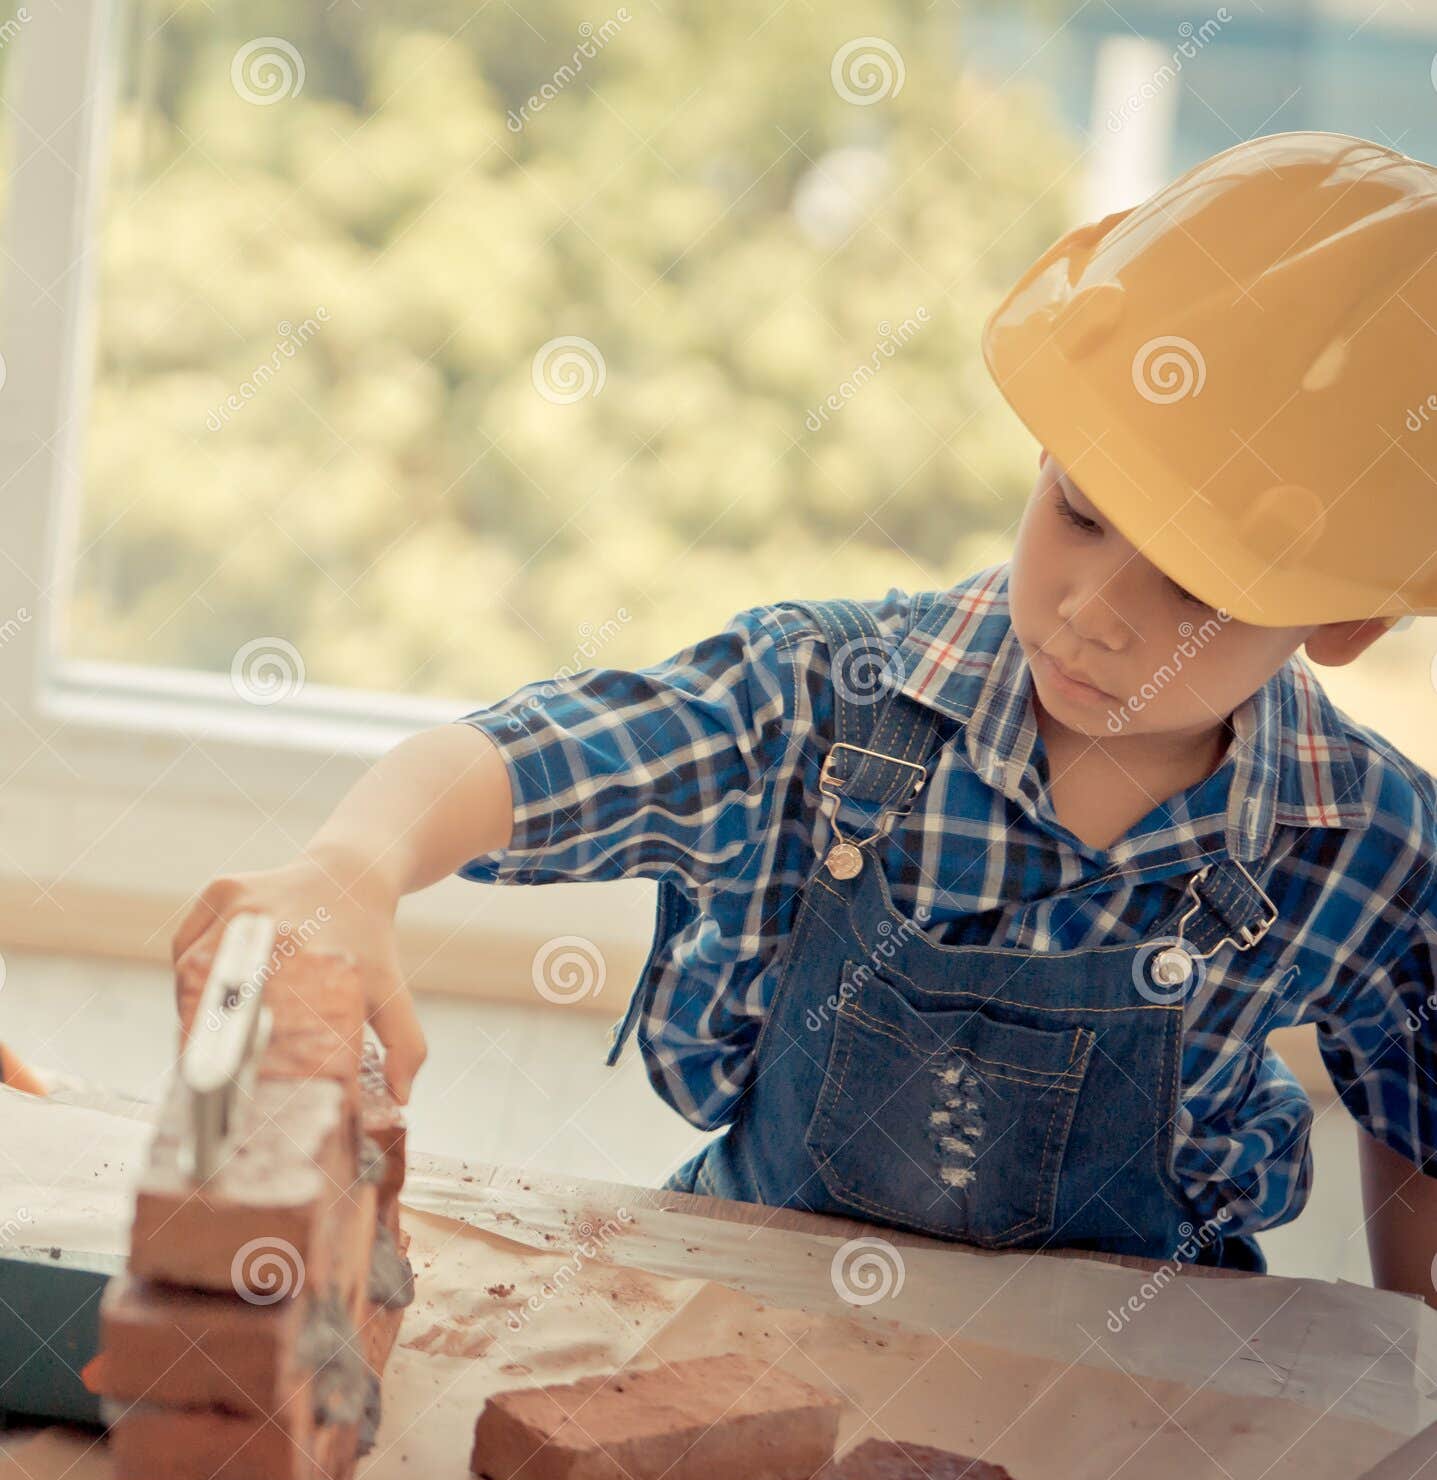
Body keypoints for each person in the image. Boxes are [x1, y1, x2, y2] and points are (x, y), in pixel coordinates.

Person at [172, 131, 1437, 1299]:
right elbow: (528, 756)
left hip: (1149, 1400)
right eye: (1082, 514)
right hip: (759, 1332)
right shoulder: (821, 703)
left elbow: (1418, 1117)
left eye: (1196, 585)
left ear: (1346, 620)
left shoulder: (1372, 847)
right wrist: (353, 861)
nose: (1094, 609)